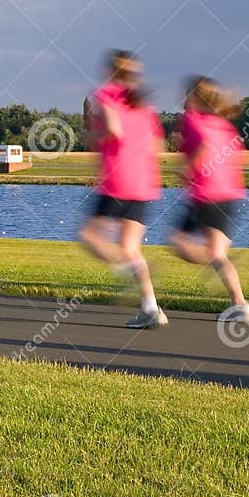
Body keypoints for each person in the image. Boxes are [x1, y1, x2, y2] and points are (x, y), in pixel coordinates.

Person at [79, 50, 168, 329]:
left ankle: (129, 269)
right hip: (145, 183)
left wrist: (91, 135)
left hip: (118, 179)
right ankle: (150, 308)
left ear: (112, 72)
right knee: (131, 248)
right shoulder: (143, 105)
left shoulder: (106, 94)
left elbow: (113, 130)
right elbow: (158, 147)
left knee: (89, 237)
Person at [170, 75, 249, 321]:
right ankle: (239, 302)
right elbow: (241, 157)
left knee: (180, 244)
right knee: (217, 254)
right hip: (231, 194)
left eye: (187, 94)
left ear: (195, 97)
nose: (183, 99)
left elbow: (204, 147)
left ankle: (228, 279)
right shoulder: (224, 125)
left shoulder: (191, 120)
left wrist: (189, 170)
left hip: (206, 194)